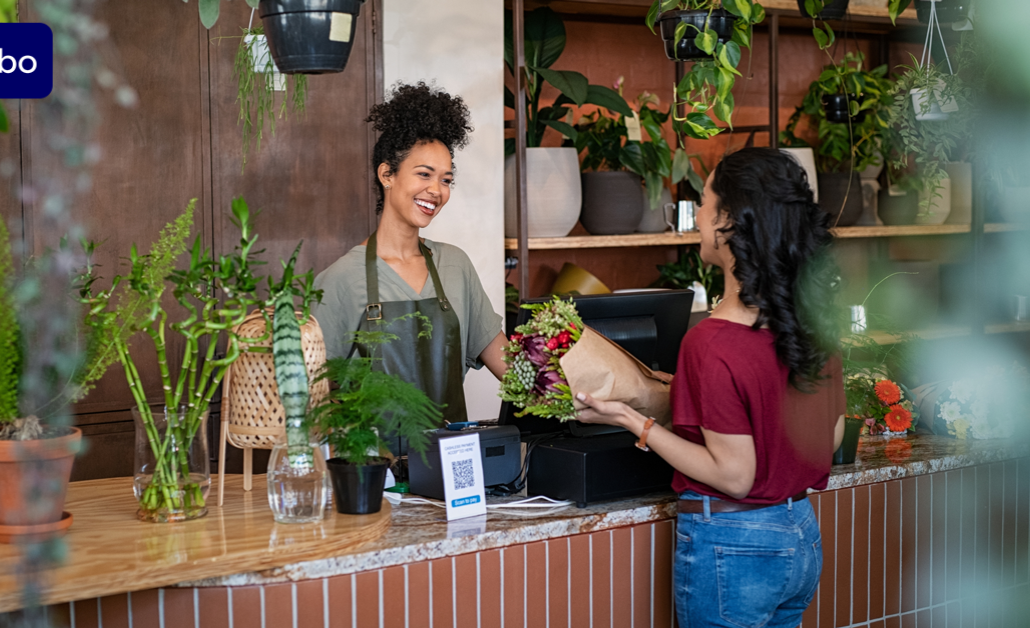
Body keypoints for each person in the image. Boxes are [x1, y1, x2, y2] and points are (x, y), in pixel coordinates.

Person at [574, 147, 846, 628]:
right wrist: (695, 394)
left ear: (728, 222)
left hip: (734, 546)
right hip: (799, 534)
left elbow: (735, 476)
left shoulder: (712, 342)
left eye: (703, 201)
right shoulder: (812, 324)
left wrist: (631, 419)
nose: (696, 214)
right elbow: (831, 436)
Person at [312, 82, 507, 429]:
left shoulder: (454, 266)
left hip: (451, 464)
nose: (436, 190)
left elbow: (507, 364)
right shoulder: (340, 280)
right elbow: (314, 400)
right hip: (373, 472)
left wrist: (575, 397)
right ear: (387, 174)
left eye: (446, 179)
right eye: (424, 175)